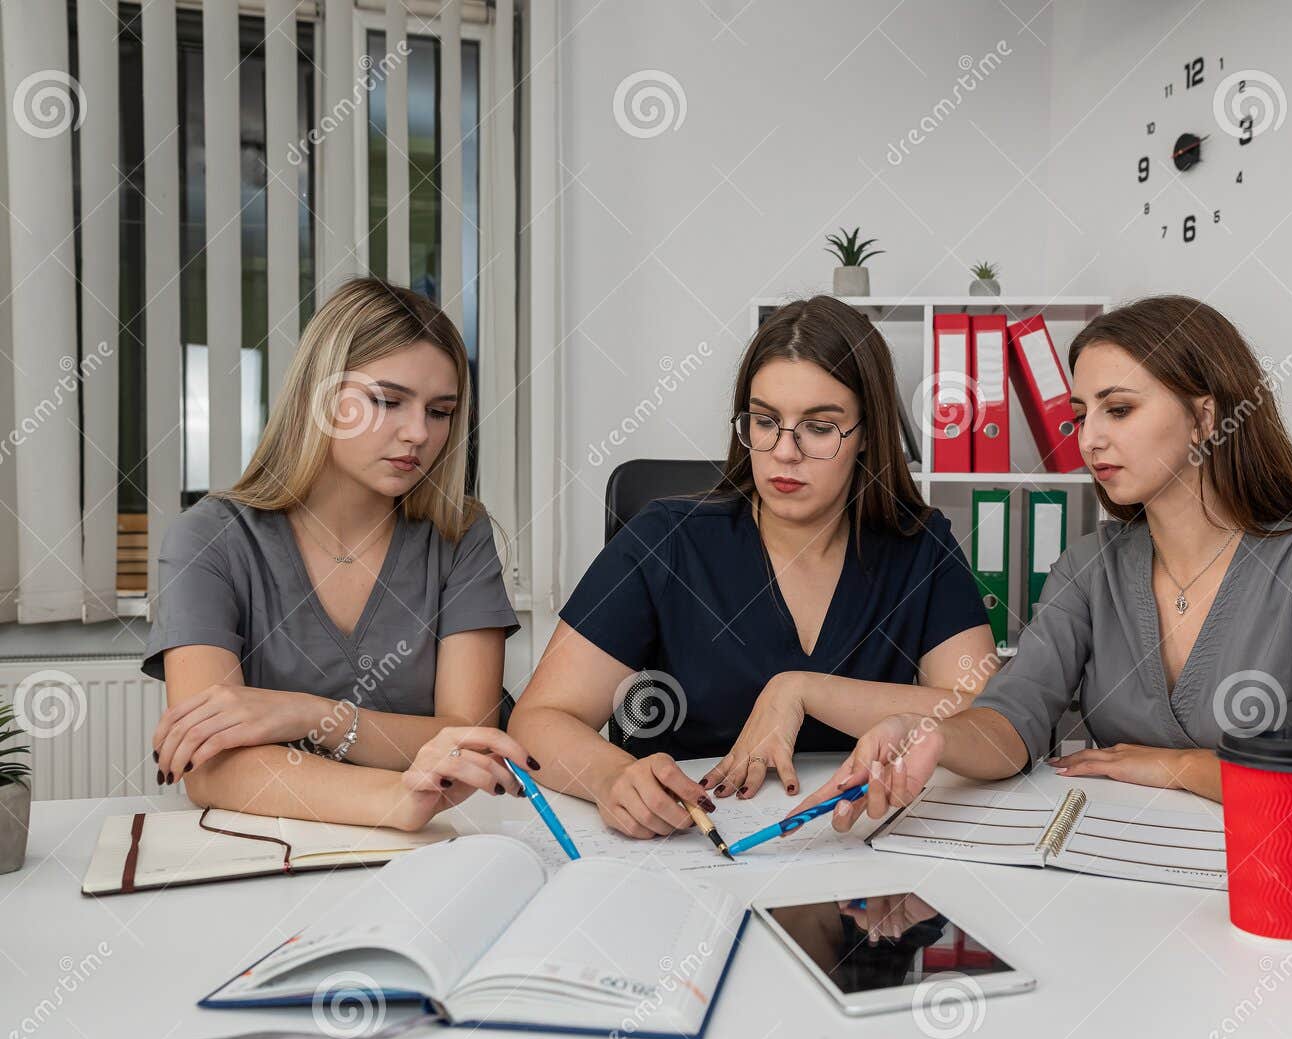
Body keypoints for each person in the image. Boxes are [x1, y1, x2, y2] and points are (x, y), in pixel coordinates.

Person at [795, 294, 1292, 851]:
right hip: (1124, 877)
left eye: (1119, 410)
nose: (1089, 440)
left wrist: (1181, 767)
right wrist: (920, 731)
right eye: (1081, 415)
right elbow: (1013, 722)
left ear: (1204, 418)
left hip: (1278, 890)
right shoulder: (1088, 567)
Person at [510, 295, 997, 840]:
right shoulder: (665, 541)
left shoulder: (920, 546)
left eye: (819, 427)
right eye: (766, 421)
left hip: (859, 853)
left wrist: (801, 690)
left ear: (866, 436)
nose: (784, 451)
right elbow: (537, 721)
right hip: (687, 847)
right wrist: (611, 777)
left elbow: (994, 723)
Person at [143, 278, 527, 831]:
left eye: (440, 412)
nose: (418, 432)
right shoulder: (209, 538)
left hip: (437, 846)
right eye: (388, 401)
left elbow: (466, 736)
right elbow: (209, 767)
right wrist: (399, 799)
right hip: (271, 847)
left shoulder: (460, 533)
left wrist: (308, 714)